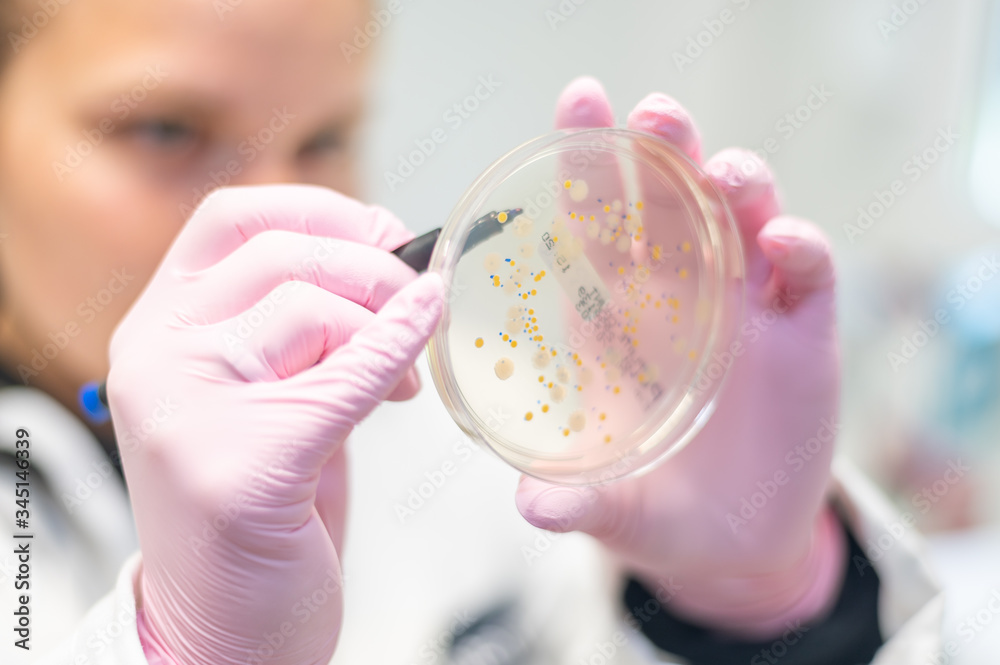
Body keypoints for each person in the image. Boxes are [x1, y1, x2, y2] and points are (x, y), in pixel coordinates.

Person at [0, 1, 941, 663]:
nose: (274, 203)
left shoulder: (448, 422)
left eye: (324, 138)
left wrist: (763, 614)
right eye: (165, 130)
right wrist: (181, 650)